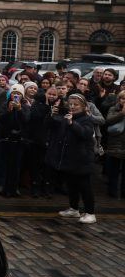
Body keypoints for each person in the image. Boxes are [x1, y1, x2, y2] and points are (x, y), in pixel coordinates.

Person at [54, 94, 97, 224]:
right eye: (70, 104)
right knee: (71, 185)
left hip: (83, 159)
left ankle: (90, 212)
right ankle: (74, 208)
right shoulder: (67, 117)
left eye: (76, 105)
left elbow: (85, 134)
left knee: (85, 187)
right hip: (70, 158)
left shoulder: (86, 119)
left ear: (83, 106)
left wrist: (72, 124)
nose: (72, 107)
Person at [104, 90, 125, 199]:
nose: (124, 101)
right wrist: (122, 114)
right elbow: (108, 121)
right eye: (122, 98)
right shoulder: (113, 108)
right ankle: (112, 192)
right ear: (119, 99)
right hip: (115, 143)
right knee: (114, 170)